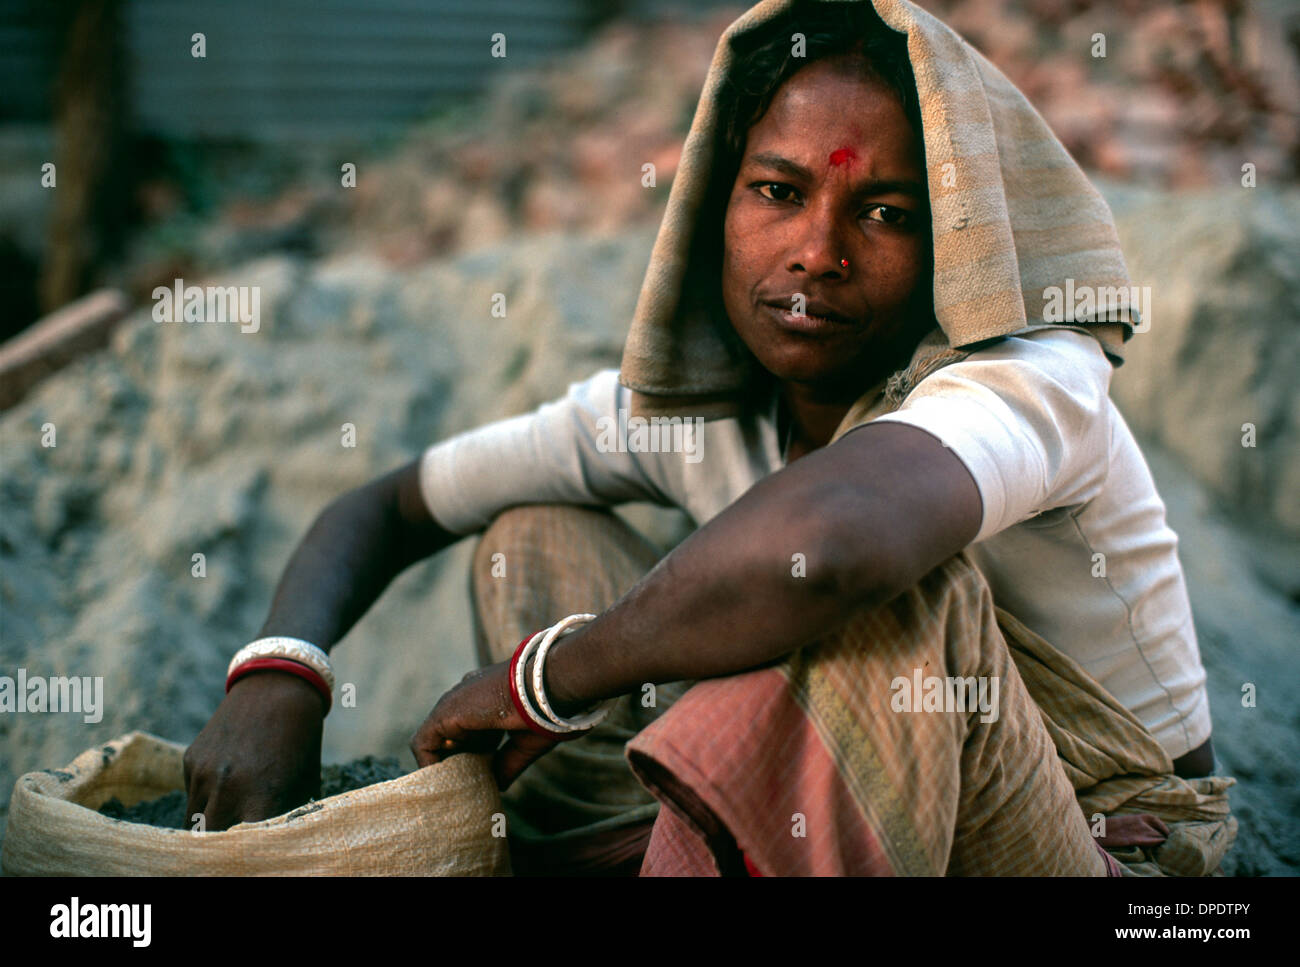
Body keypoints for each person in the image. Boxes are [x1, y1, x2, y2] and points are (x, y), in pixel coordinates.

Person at [184, 0, 1235, 876]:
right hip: (855, 810)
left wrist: (547, 675)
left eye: (884, 214)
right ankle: (653, 850)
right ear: (717, 207)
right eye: (778, 193)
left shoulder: (1031, 375)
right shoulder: (687, 409)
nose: (815, 252)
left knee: (898, 598)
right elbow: (394, 505)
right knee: (534, 529)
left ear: (953, 250)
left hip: (1110, 848)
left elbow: (830, 549)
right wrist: (278, 675)